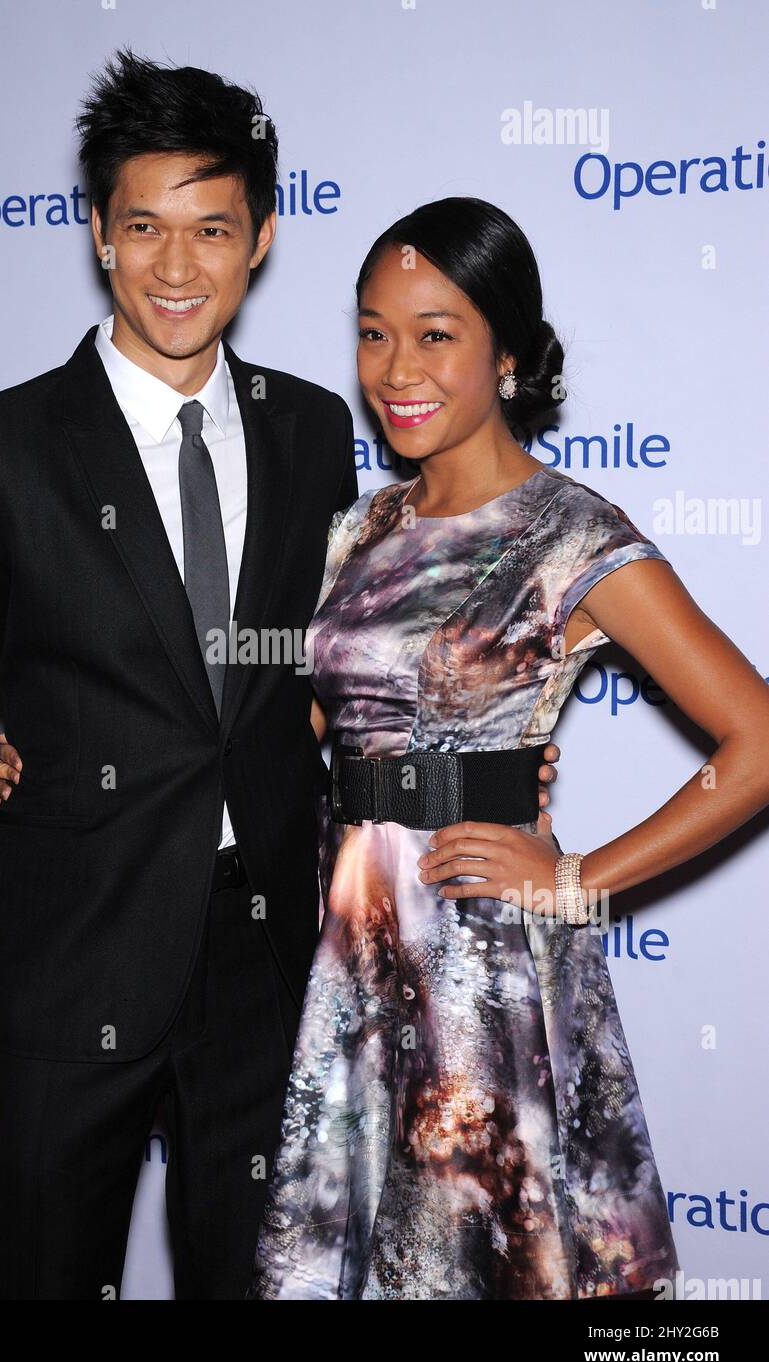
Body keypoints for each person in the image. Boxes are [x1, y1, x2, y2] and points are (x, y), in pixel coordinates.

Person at [0, 47, 564, 1301]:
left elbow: (350, 661)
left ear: (258, 240)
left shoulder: (314, 430)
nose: (177, 266)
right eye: (145, 227)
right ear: (96, 233)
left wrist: (477, 749)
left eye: (212, 228)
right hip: (63, 959)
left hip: (268, 974)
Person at [237, 197, 769, 1300]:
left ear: (509, 354)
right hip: (347, 953)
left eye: (437, 333)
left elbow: (755, 740)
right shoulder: (360, 527)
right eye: (374, 330)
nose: (396, 366)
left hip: (480, 964)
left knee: (480, 1255)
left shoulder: (570, 533)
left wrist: (578, 876)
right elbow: (309, 731)